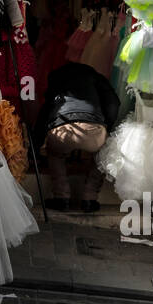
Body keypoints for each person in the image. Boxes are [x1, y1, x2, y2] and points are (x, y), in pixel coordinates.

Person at [35, 61, 121, 211]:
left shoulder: (57, 77)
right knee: (103, 154)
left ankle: (62, 198)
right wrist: (106, 125)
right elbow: (113, 103)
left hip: (63, 129)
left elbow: (47, 108)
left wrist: (37, 141)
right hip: (94, 129)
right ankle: (89, 197)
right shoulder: (96, 77)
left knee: (55, 153)